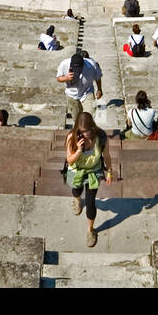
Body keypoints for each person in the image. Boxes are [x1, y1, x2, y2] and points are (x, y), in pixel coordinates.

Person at [65, 112, 113, 248]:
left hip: (94, 171)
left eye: (86, 131)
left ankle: (90, 230)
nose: (84, 134)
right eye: (81, 131)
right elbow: (69, 160)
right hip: (78, 171)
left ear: (92, 127)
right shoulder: (72, 137)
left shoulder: (101, 137)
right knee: (76, 190)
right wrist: (79, 150)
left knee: (91, 202)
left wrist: (109, 171)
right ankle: (77, 199)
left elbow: (107, 155)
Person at [56, 48, 103, 125]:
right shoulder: (64, 64)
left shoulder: (91, 65)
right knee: (77, 119)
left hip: (87, 92)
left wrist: (99, 89)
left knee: (89, 117)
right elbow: (58, 78)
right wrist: (66, 78)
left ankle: (88, 133)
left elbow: (98, 77)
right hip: (72, 95)